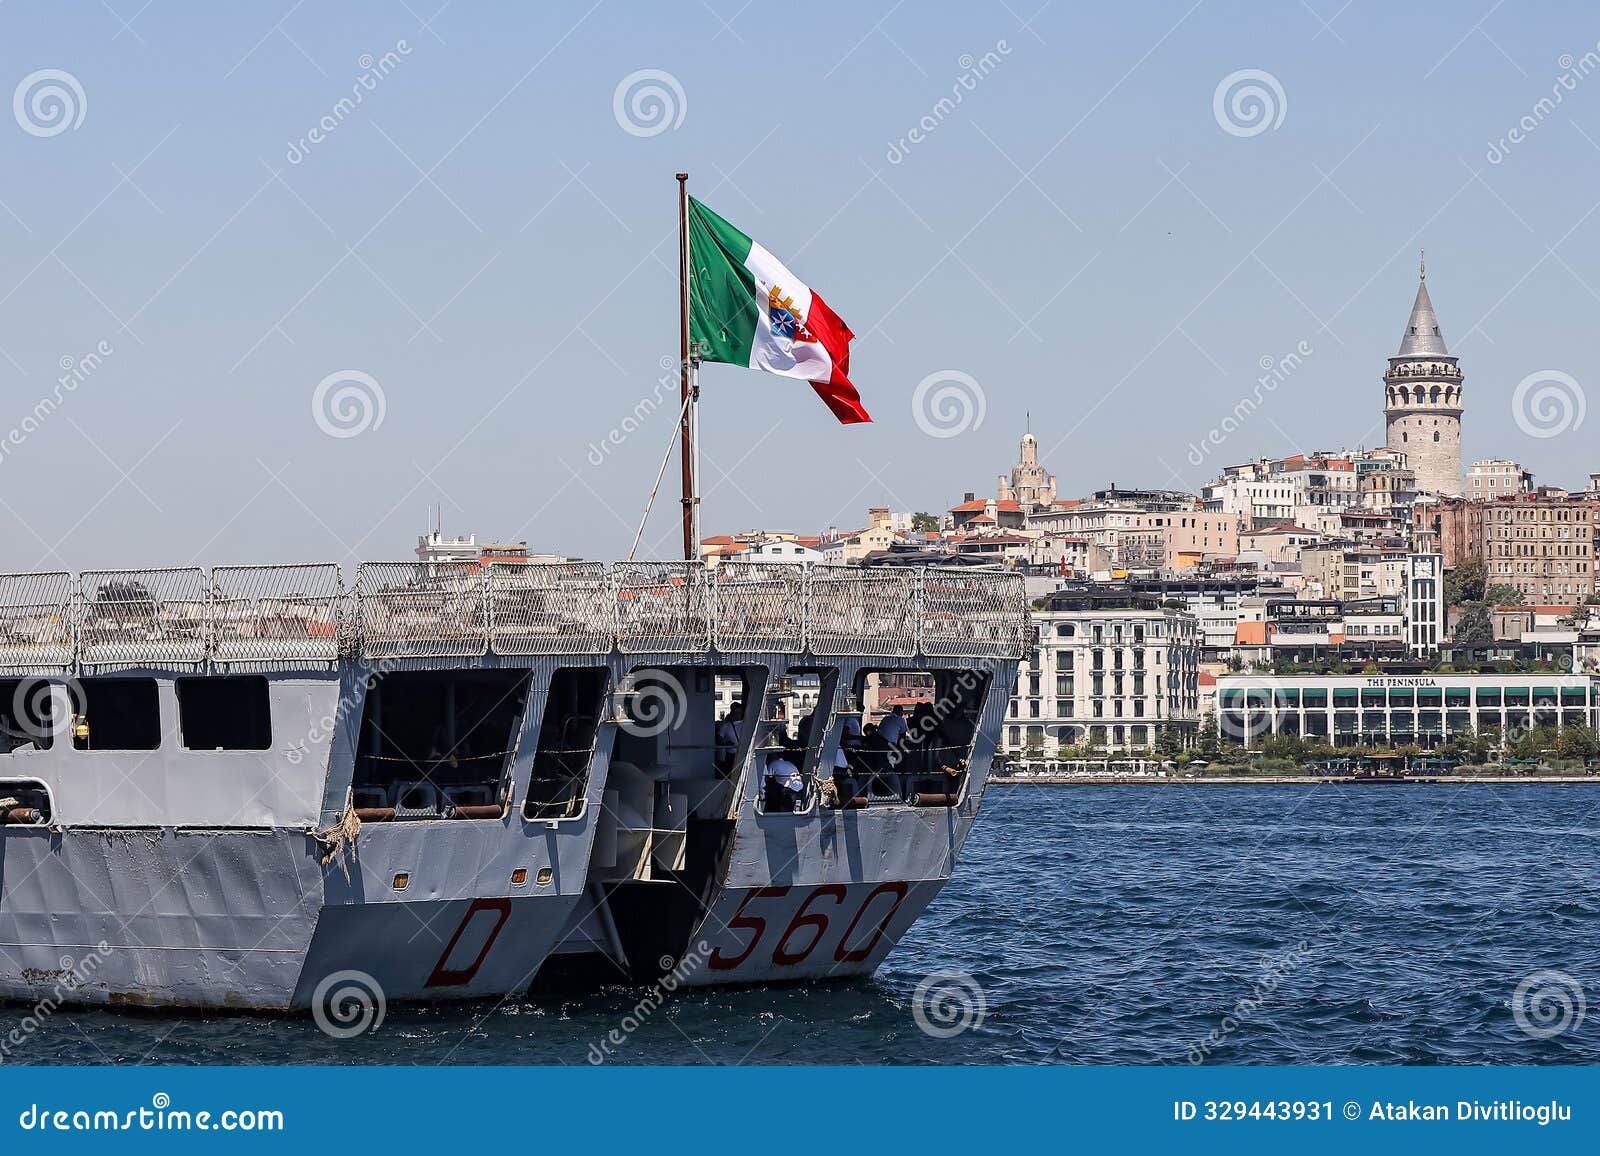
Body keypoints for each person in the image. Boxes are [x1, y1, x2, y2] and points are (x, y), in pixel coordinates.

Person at [715, 701, 743, 772]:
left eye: (739, 712)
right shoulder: (725, 726)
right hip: (731, 755)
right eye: (735, 712)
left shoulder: (745, 724)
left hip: (743, 753)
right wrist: (726, 743)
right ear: (731, 712)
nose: (737, 714)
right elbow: (719, 739)